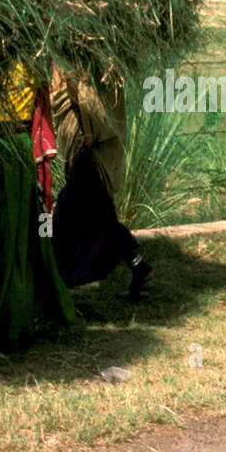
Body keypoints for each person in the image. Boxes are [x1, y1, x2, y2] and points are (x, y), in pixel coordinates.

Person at [0, 61, 82, 350]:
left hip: (13, 151)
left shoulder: (30, 58)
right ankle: (11, 307)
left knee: (7, 246)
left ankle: (9, 329)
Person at [49, 66, 153, 297]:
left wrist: (71, 83)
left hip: (89, 158)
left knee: (74, 216)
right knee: (100, 215)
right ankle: (138, 265)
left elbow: (91, 108)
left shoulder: (99, 77)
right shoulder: (96, 75)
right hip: (89, 157)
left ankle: (57, 277)